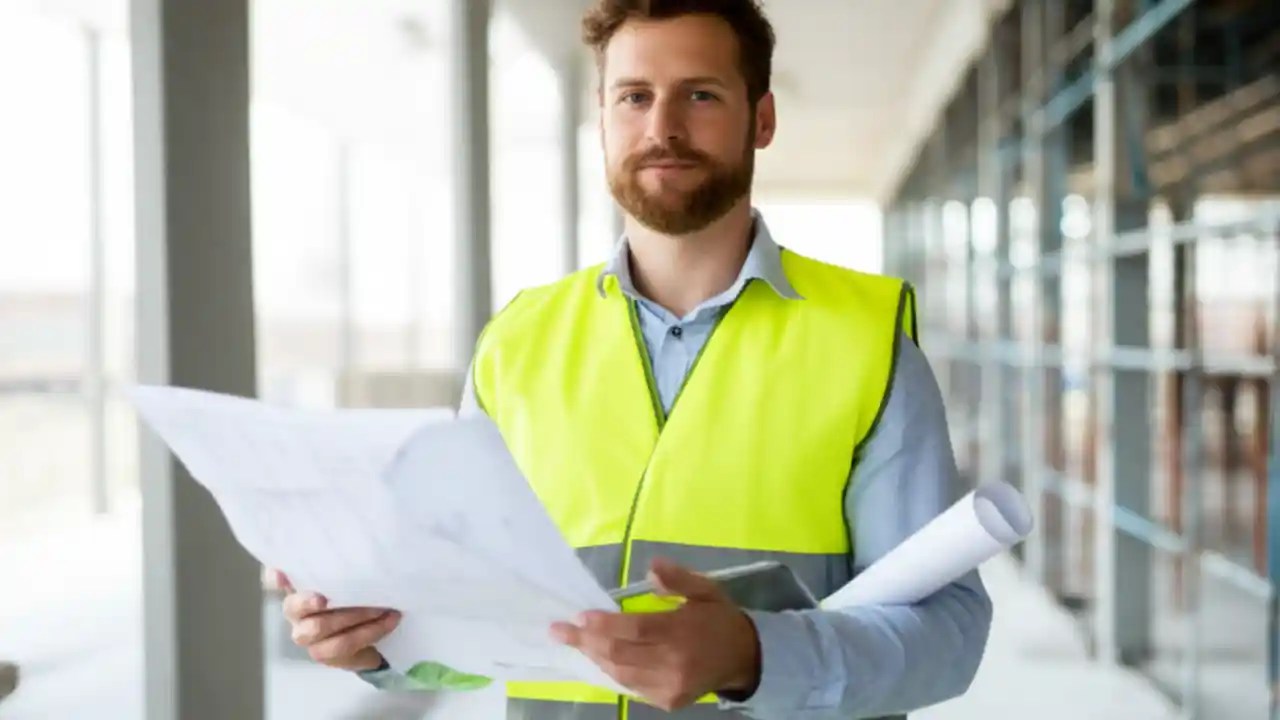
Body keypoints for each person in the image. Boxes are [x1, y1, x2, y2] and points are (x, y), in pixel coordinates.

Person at [279, 1, 992, 717]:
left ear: (763, 119)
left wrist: (756, 654)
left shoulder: (867, 346)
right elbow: (474, 618)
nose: (663, 128)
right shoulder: (515, 344)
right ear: (603, 116)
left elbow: (947, 634)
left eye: (701, 95)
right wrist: (380, 644)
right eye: (635, 97)